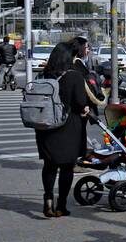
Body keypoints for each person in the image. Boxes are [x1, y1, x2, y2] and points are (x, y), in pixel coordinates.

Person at [35, 37, 102, 217]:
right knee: (66, 167)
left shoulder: (45, 74)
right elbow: (80, 102)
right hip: (68, 125)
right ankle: (61, 205)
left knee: (49, 165)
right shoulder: (74, 75)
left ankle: (48, 198)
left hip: (46, 125)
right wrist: (86, 108)